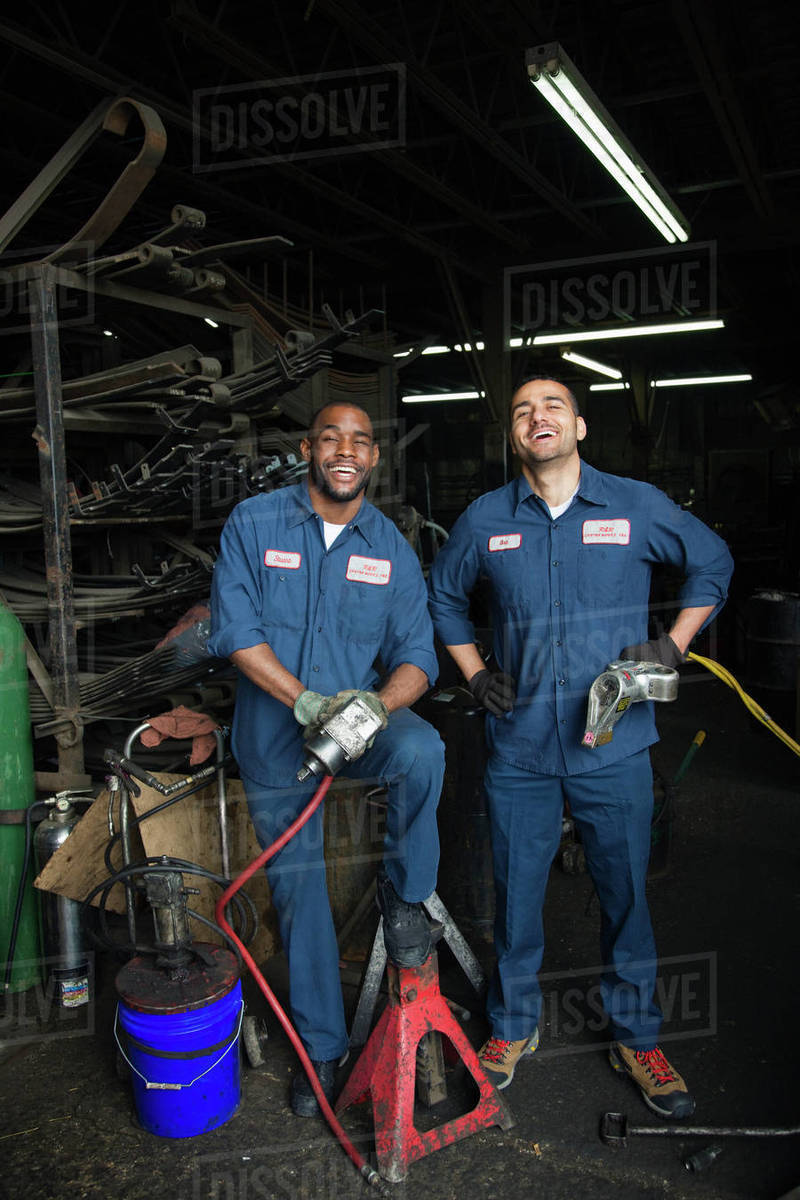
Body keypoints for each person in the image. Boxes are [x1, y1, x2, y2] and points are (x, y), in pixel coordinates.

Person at [427, 375, 733, 1118]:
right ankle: (512, 1026)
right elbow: (443, 597)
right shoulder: (485, 518)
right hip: (520, 747)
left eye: (553, 406)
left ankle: (636, 1037)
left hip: (615, 745)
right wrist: (474, 673)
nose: (538, 417)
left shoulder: (635, 505)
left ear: (580, 426)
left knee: (626, 896)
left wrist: (674, 643)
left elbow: (713, 563)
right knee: (515, 895)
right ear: (513, 434)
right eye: (523, 410)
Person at [209, 402, 444, 1116]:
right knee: (299, 891)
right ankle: (322, 1048)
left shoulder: (390, 547)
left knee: (423, 749)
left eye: (360, 441)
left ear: (373, 458)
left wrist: (376, 706)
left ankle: (407, 901)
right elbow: (235, 630)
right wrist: (303, 701)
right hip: (276, 737)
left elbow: (420, 656)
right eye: (332, 439)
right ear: (309, 449)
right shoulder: (255, 523)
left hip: (356, 733)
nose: (346, 451)